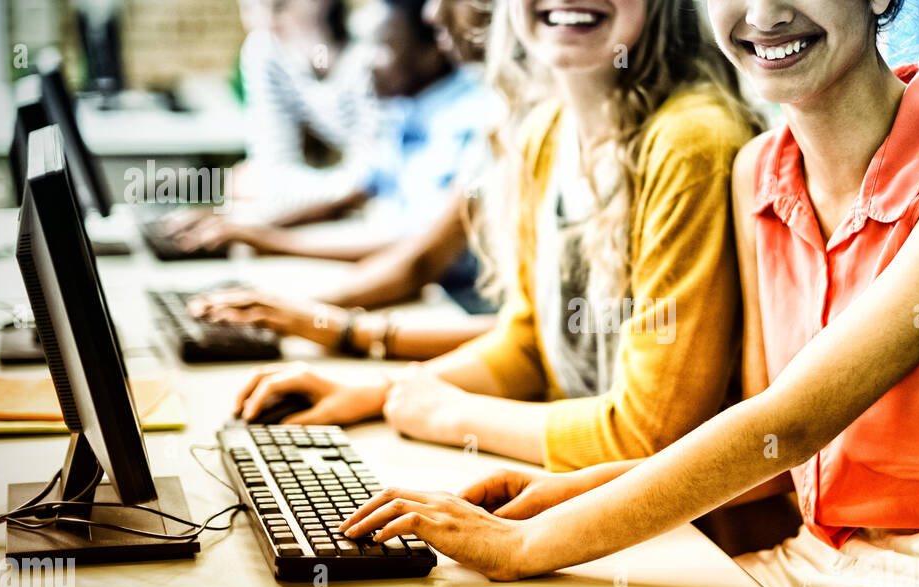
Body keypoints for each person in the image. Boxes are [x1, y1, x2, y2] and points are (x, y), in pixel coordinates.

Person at [337, 0, 919, 587]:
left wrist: (526, 542)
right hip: (814, 556)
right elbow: (777, 450)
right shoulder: (758, 173)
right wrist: (572, 488)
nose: (765, 13)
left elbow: (795, 417)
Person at [231, 0, 762, 471]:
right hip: (582, 490)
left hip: (693, 534)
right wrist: (378, 392)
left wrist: (448, 413)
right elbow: (529, 347)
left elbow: (651, 434)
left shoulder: (690, 142)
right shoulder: (547, 132)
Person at [192, 0, 503, 359]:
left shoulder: (477, 119)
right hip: (440, 308)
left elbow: (417, 257)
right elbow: (361, 189)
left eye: (381, 49)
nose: (366, 62)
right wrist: (257, 231)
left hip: (460, 312)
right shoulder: (410, 107)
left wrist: (303, 304)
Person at [228, 0, 382, 220]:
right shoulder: (265, 49)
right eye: (250, 7)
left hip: (396, 195)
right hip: (351, 190)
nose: (264, 22)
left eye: (279, 6)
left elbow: (380, 179)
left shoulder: (377, 47)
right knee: (245, 183)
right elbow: (271, 165)